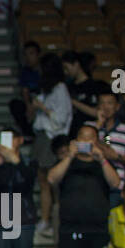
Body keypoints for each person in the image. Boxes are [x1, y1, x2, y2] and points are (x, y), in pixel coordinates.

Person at [48, 124, 121, 248]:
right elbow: (52, 178)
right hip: (70, 230)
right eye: (83, 137)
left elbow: (115, 183)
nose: (86, 141)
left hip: (98, 230)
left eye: (90, 138)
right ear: (75, 140)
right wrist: (69, 156)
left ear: (97, 141)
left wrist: (101, 158)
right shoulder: (67, 161)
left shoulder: (103, 163)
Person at [31, 53, 72, 233]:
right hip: (41, 136)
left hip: (51, 138)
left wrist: (43, 108)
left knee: (49, 181)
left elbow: (61, 119)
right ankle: (46, 218)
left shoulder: (60, 88)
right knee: (42, 180)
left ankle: (49, 219)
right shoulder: (47, 89)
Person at [92, 88, 125, 190]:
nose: (105, 107)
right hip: (94, 184)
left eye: (110, 103)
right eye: (102, 103)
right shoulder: (89, 127)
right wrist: (99, 125)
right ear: (97, 106)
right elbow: (84, 144)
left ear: (117, 107)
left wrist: (116, 156)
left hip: (117, 185)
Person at [63, 50, 102, 137]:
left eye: (67, 68)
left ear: (76, 64)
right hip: (71, 132)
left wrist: (72, 101)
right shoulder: (68, 87)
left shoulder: (93, 86)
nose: (65, 72)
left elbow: (95, 112)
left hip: (89, 133)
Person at [8, 39, 41, 135]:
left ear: (38, 54)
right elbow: (25, 90)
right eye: (26, 55)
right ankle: (28, 134)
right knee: (16, 105)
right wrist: (28, 106)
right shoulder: (25, 72)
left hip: (44, 104)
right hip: (32, 103)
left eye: (31, 54)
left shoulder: (45, 70)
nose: (28, 58)